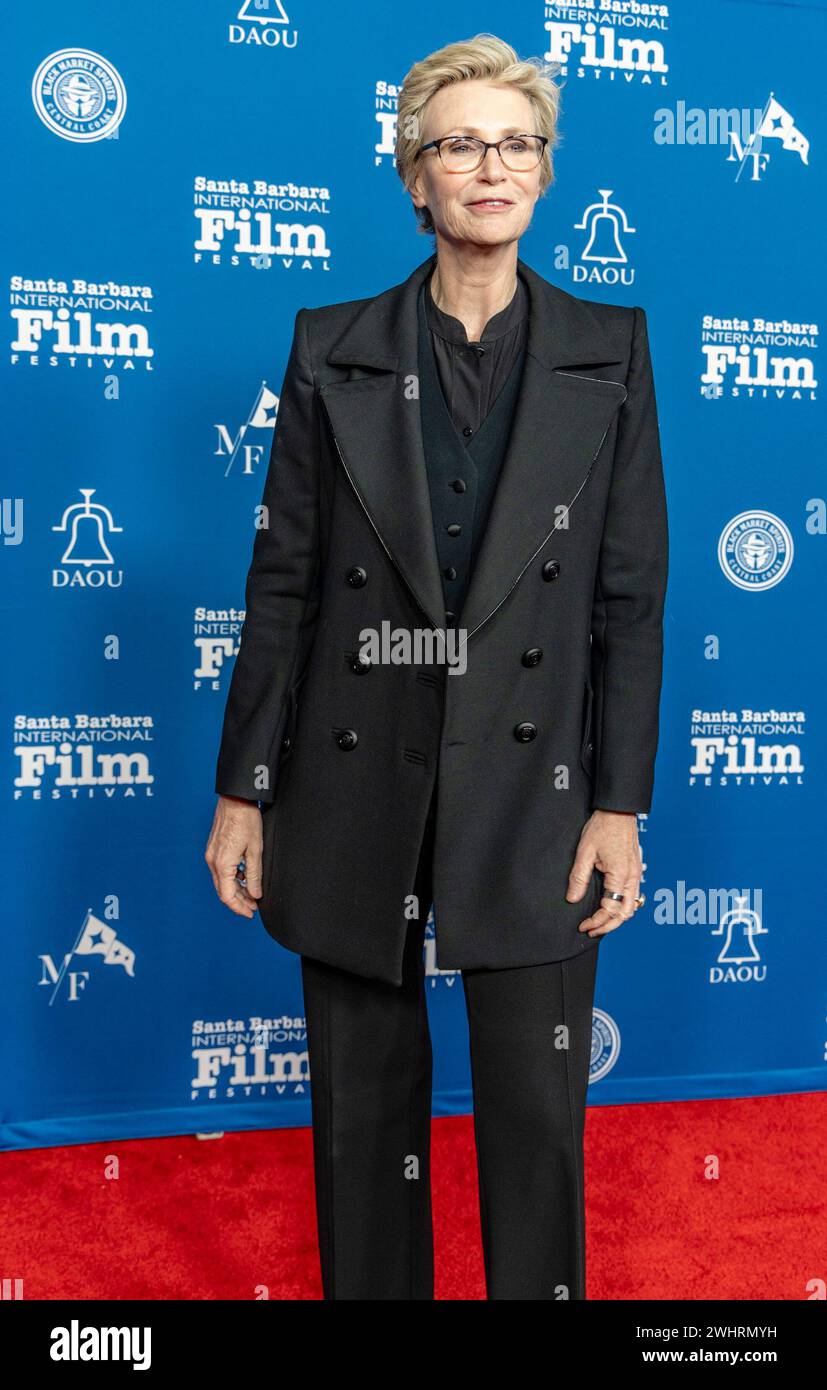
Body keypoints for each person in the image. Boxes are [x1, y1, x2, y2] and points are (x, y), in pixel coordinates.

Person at [205, 32, 668, 1300]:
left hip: (538, 791)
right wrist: (244, 785)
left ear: (544, 174)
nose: (491, 166)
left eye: (516, 144)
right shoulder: (331, 344)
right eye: (460, 144)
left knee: (535, 1124)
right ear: (414, 175)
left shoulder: (608, 347)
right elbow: (285, 583)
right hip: (358, 783)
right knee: (364, 1128)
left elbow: (629, 599)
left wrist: (619, 803)